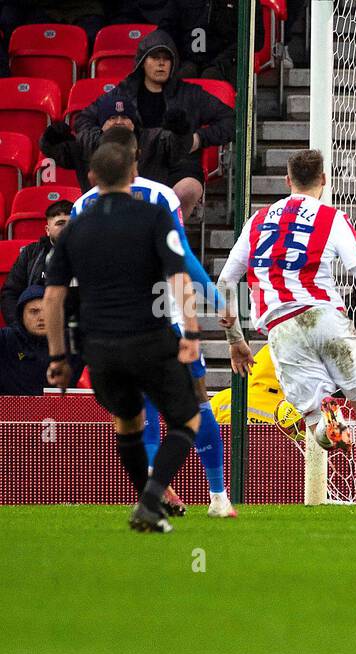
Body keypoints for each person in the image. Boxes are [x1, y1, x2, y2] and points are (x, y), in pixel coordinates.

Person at [216, 149, 356, 515]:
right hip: (326, 316)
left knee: (315, 427)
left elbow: (226, 280)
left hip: (282, 327)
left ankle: (327, 418)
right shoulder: (332, 218)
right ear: (323, 181)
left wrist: (236, 342)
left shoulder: (258, 220)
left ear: (286, 181)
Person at [72, 125, 234, 518]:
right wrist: (218, 302)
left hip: (110, 322)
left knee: (137, 410)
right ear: (136, 158)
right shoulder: (160, 195)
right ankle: (218, 497)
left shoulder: (83, 205)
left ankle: (151, 484)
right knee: (197, 402)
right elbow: (182, 261)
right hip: (165, 315)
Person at [43, 141, 202, 533]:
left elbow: (53, 297)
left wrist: (59, 359)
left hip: (99, 347)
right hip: (150, 338)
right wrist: (192, 332)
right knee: (188, 421)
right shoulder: (153, 216)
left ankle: (146, 508)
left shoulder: (75, 228)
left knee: (127, 422)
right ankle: (150, 500)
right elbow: (180, 277)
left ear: (93, 179)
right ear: (134, 174)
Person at [75, 28, 235, 218]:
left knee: (186, 191)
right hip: (138, 160)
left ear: (173, 63)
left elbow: (230, 119)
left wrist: (199, 138)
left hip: (181, 162)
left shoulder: (191, 94)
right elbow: (83, 119)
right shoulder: (123, 92)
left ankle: (171, 238)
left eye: (166, 58)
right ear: (142, 62)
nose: (161, 63)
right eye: (154, 57)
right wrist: (106, 139)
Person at [42, 94, 191, 192]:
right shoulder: (87, 143)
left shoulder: (155, 139)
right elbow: (56, 151)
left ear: (133, 122)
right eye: (112, 117)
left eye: (125, 117)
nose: (119, 122)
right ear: (101, 124)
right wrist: (51, 138)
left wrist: (181, 131)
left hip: (147, 210)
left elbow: (179, 147)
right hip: (99, 212)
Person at [0, 285, 85, 394]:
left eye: (48, 310)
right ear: (21, 316)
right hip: (11, 409)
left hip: (62, 409)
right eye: (34, 311)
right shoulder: (6, 338)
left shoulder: (72, 340)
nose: (42, 317)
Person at [1, 200, 70, 326]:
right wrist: (20, 327)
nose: (66, 228)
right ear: (47, 230)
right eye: (60, 223)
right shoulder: (31, 253)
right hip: (35, 329)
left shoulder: (89, 254)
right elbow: (10, 294)